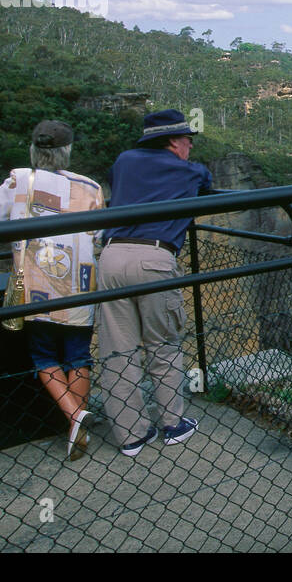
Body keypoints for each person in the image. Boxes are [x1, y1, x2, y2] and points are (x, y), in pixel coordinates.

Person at [0, 120, 103, 461]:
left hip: (36, 289)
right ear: (67, 151)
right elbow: (99, 234)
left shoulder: (19, 180)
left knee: (44, 356)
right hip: (78, 286)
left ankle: (75, 417)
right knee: (78, 355)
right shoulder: (90, 187)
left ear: (34, 150)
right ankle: (79, 424)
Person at [96, 109, 214, 457]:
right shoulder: (188, 169)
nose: (191, 148)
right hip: (154, 259)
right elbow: (205, 182)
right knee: (162, 344)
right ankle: (172, 424)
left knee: (118, 349)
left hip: (112, 257)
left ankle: (131, 436)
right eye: (189, 142)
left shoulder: (124, 161)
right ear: (174, 142)